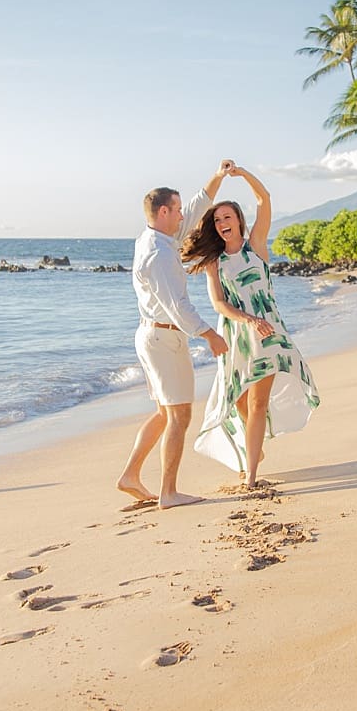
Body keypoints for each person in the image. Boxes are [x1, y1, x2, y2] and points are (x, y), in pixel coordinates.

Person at [182, 163, 320, 488]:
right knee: (240, 403)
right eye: (217, 220)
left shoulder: (256, 245)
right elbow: (219, 304)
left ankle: (251, 475)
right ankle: (255, 449)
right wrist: (247, 319)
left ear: (239, 221)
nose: (222, 224)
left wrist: (242, 174)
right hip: (237, 337)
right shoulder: (214, 262)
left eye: (227, 217)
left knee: (257, 403)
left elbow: (264, 199)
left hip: (268, 334)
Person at [116, 164, 231, 510]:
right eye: (177, 210)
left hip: (153, 336)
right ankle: (168, 493)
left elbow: (196, 208)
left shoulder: (155, 239)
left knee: (166, 414)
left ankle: (130, 476)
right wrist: (209, 334)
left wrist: (218, 177)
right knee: (180, 416)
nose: (183, 216)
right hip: (164, 340)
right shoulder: (160, 253)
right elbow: (177, 305)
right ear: (163, 212)